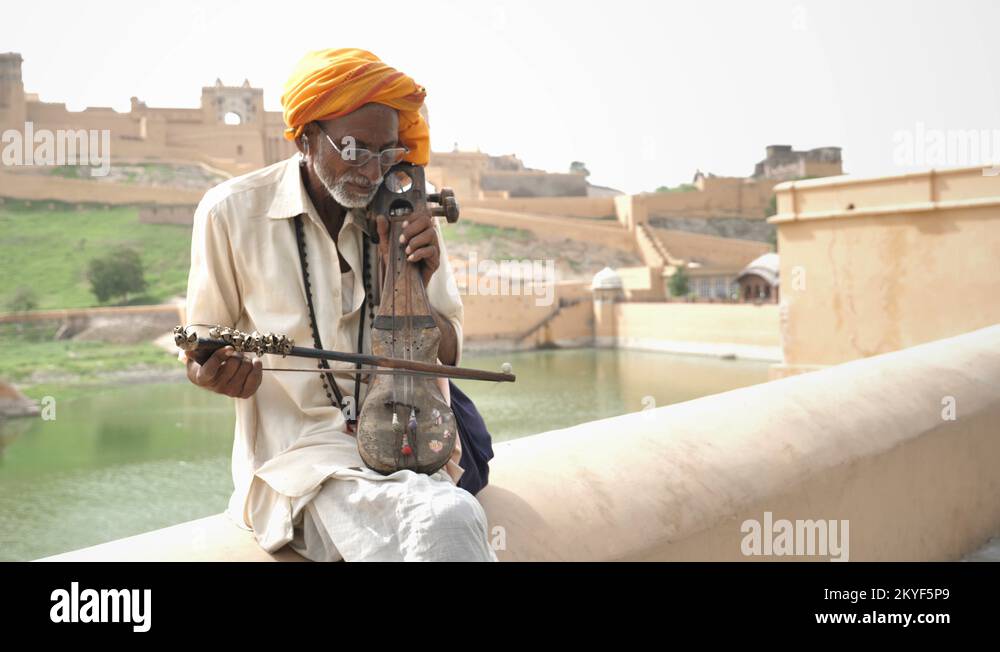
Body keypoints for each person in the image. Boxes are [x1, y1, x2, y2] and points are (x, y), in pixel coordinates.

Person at [181, 48, 496, 562]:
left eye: (387, 153)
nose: (372, 169)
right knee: (446, 520)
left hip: (402, 446)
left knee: (444, 518)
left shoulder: (406, 205)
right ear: (305, 137)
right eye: (353, 148)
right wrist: (216, 374)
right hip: (300, 464)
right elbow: (199, 351)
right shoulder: (230, 214)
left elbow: (450, 354)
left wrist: (414, 278)